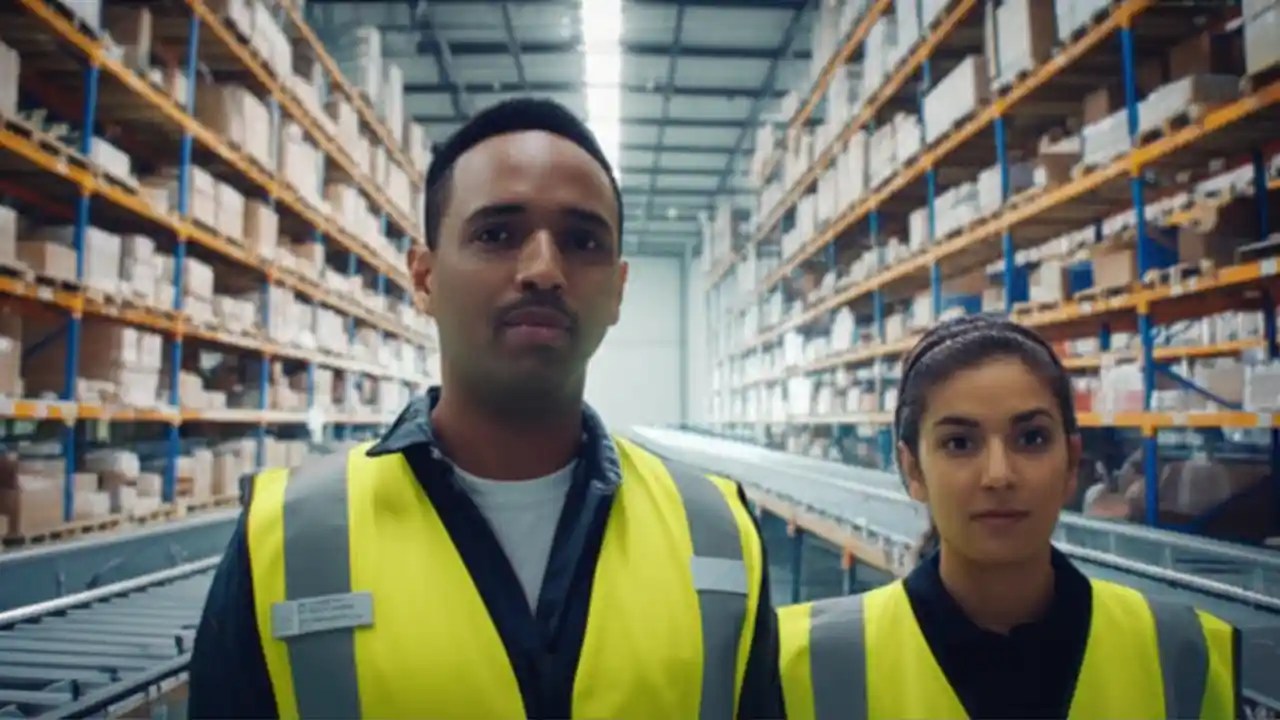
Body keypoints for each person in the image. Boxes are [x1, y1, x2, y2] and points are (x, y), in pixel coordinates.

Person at [187, 98, 782, 720]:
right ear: (424, 279)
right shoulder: (288, 538)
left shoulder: (719, 532)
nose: (544, 269)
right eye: (496, 234)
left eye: (582, 241)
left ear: (617, 292)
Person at [776, 314, 1240, 720]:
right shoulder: (802, 664)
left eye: (1032, 438)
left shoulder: (1182, 652)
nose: (999, 475)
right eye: (959, 443)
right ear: (913, 469)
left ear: (1071, 463)